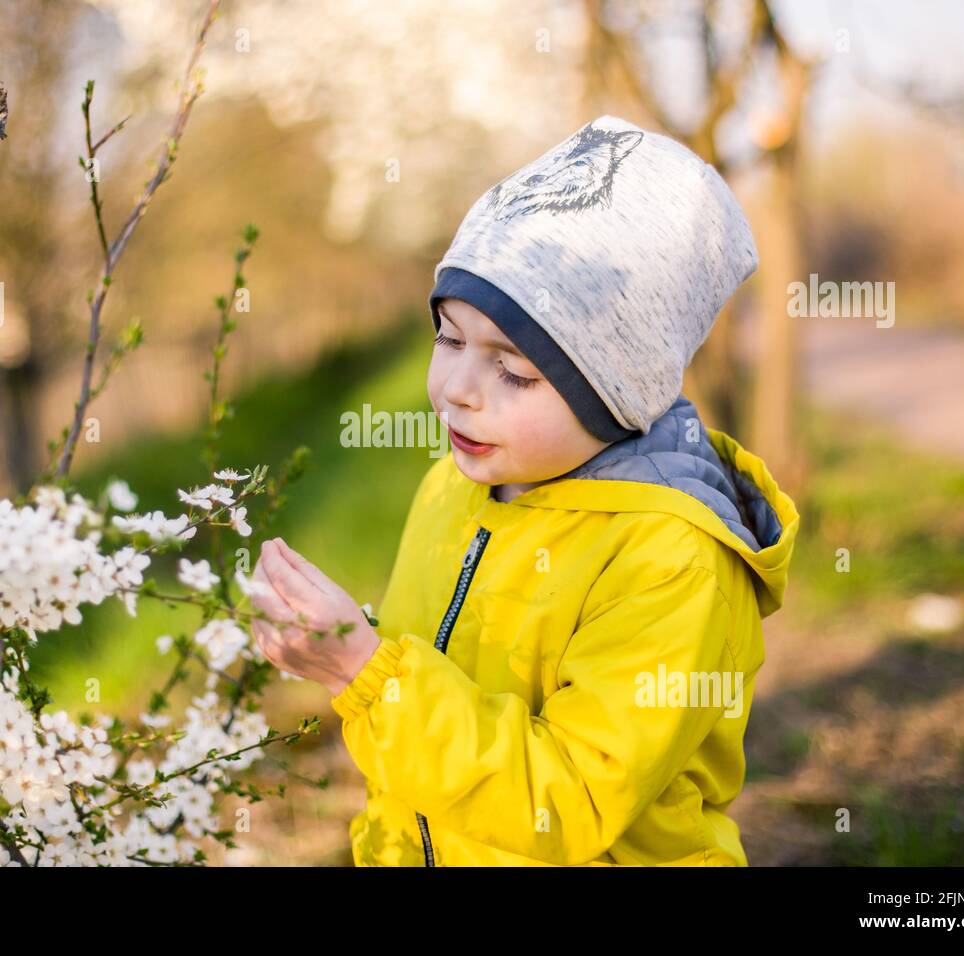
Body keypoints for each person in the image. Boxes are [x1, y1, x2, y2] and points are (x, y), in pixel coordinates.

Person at [248, 114, 800, 866]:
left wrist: (364, 673)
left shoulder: (671, 562)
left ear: (617, 394)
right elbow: (458, 656)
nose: (456, 391)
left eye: (513, 369)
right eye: (448, 337)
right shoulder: (459, 482)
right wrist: (342, 642)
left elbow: (564, 801)